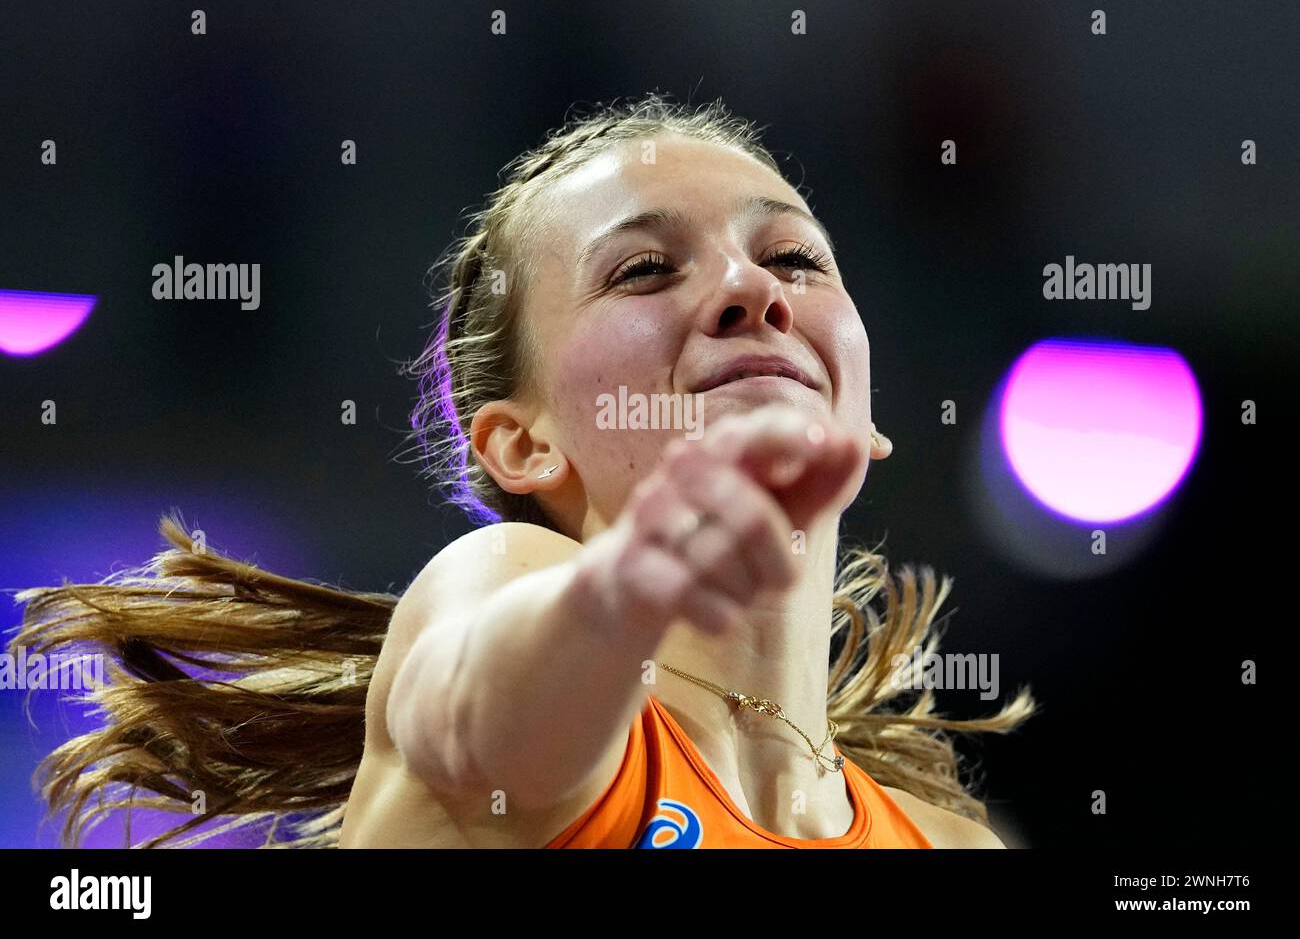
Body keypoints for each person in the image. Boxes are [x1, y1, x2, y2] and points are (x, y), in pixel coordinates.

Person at [8, 93, 1035, 849]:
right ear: (521, 444)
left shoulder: (952, 844)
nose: (748, 288)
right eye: (643, 268)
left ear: (866, 417)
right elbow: (482, 722)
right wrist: (629, 579)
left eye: (795, 259)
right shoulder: (495, 582)